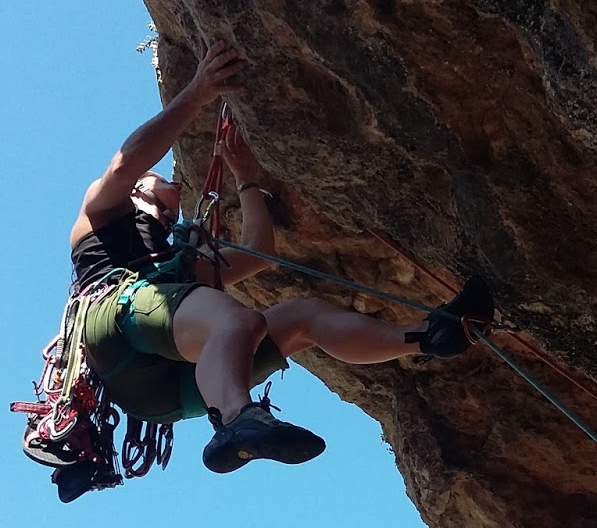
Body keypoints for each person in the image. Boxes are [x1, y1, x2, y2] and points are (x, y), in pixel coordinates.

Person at [70, 42, 494, 476]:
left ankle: (430, 334)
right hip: (115, 323)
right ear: (141, 191)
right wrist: (199, 91)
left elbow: (259, 253)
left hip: (161, 392)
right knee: (239, 321)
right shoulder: (102, 216)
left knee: (303, 318)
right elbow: (125, 165)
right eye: (161, 180)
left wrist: (248, 181)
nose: (173, 185)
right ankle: (239, 420)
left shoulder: (177, 264)